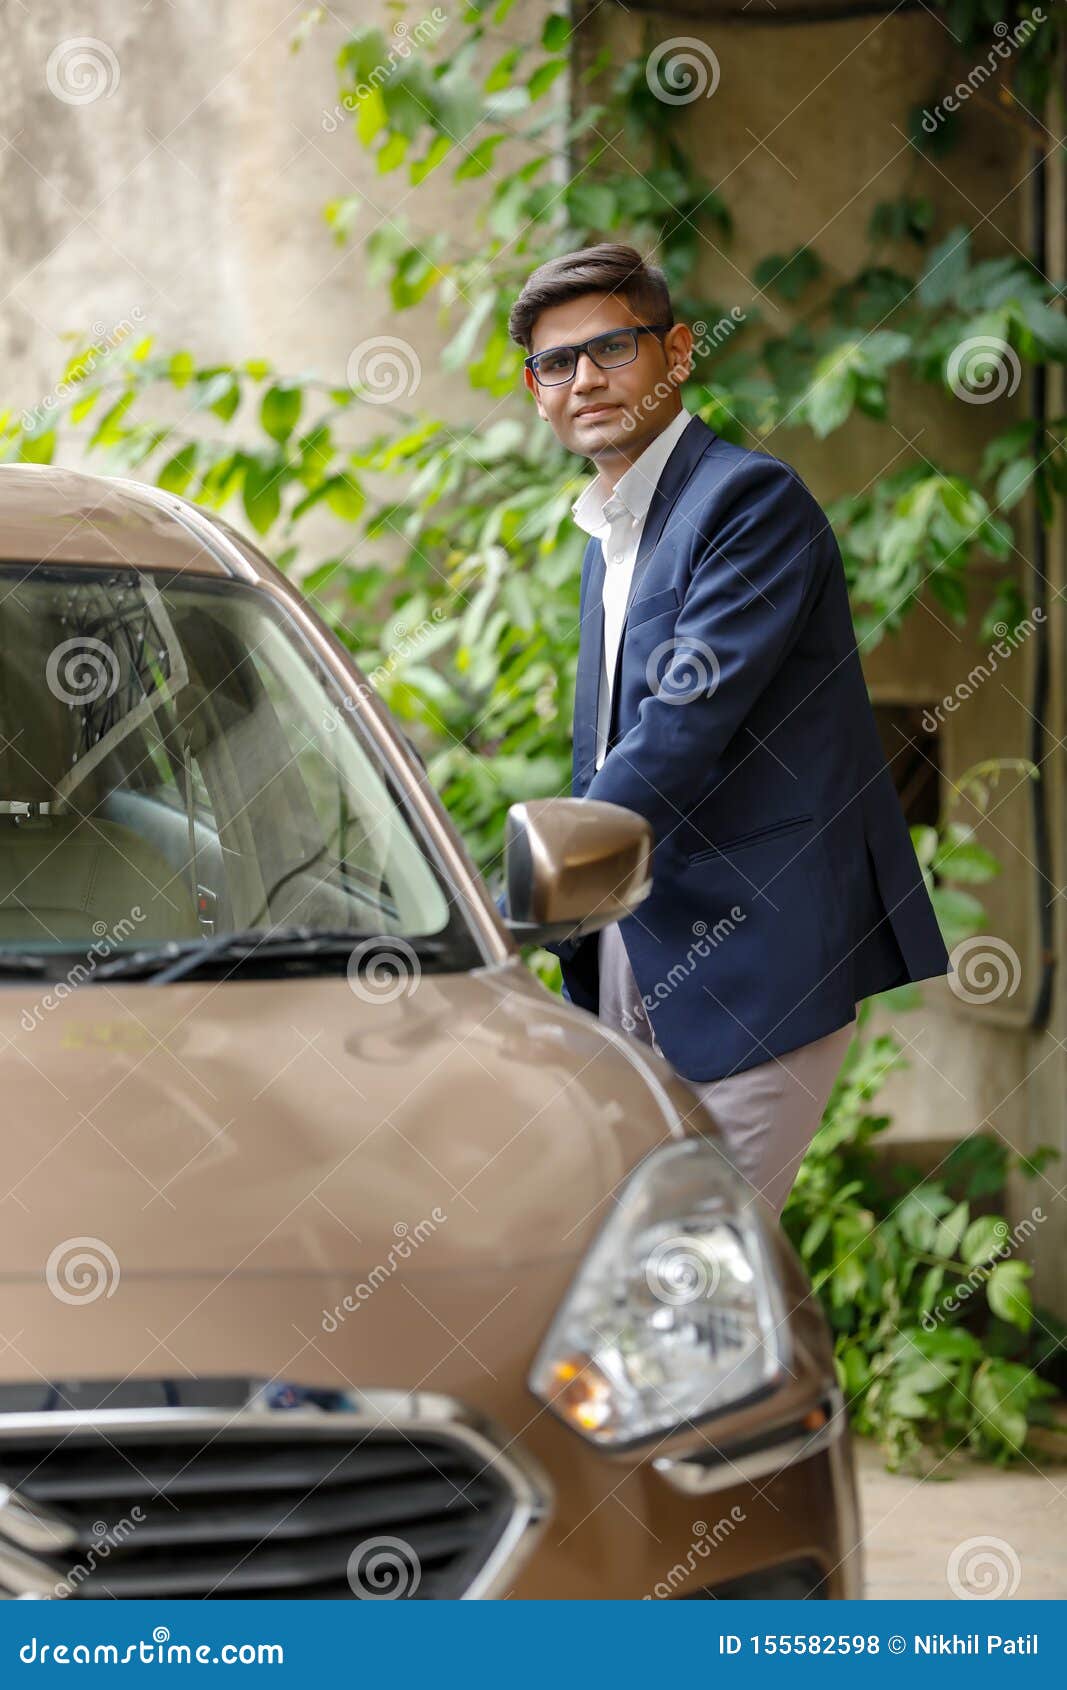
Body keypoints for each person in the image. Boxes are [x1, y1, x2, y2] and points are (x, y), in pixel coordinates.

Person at [504, 242, 950, 1214]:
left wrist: (523, 903)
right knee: (651, 1265)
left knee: (698, 1256)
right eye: (554, 363)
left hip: (751, 956)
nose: (583, 380)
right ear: (536, 391)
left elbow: (679, 728)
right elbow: (613, 750)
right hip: (634, 942)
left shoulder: (747, 502)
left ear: (675, 352)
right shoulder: (611, 531)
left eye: (612, 348)